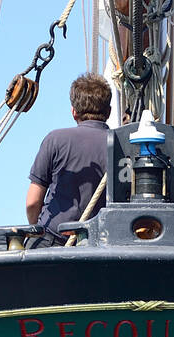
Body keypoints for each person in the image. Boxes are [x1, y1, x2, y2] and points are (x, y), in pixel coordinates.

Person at [25, 73, 111, 244]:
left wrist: (37, 232)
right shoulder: (123, 145)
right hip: (102, 244)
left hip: (51, 241)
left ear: (74, 112)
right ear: (108, 111)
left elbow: (32, 202)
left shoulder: (55, 140)